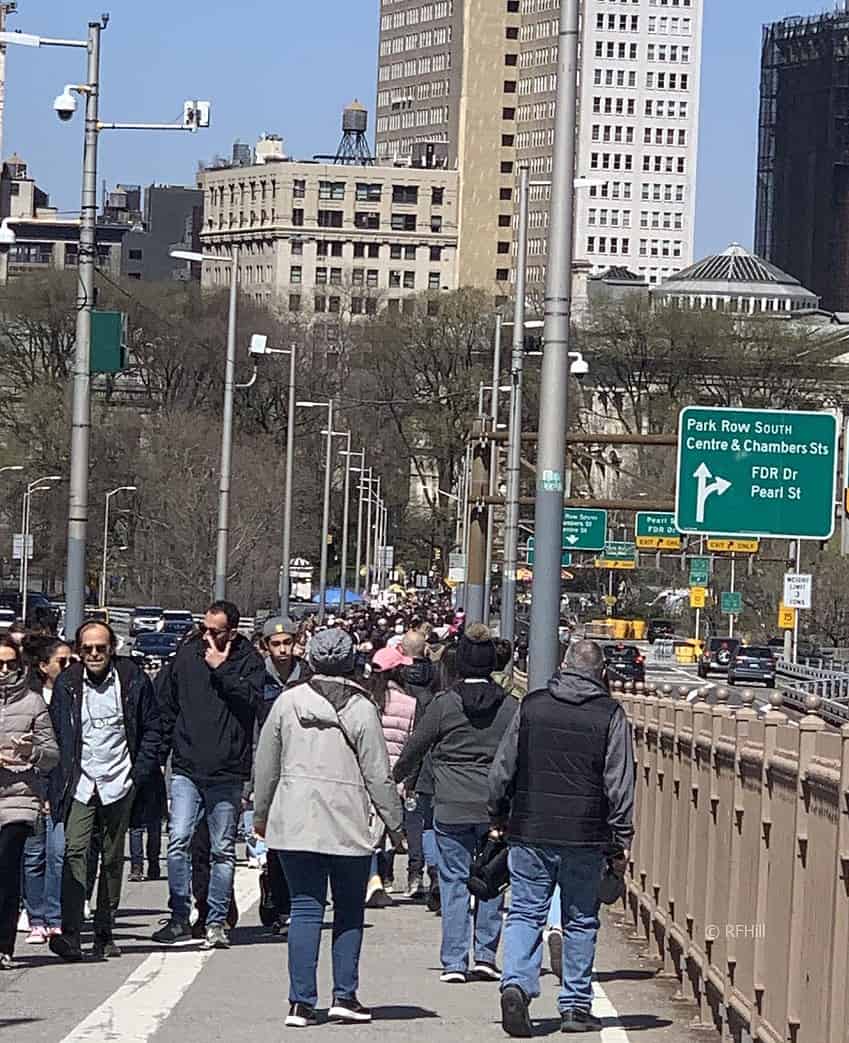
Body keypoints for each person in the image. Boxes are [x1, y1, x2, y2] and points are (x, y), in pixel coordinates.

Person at [253, 628, 404, 1028]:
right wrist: (395, 822)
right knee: (349, 910)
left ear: (312, 661)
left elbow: (266, 763)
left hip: (295, 815)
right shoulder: (361, 707)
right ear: (351, 661)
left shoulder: (288, 702)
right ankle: (345, 996)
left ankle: (300, 1003)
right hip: (347, 818)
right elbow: (378, 773)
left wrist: (260, 813)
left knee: (305, 908)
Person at [489, 639, 635, 1036]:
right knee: (581, 919)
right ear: (601, 673)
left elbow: (505, 766)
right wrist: (621, 837)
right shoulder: (610, 714)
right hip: (586, 834)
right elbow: (619, 781)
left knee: (524, 911)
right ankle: (574, 1005)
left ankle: (516, 983)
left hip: (531, 829)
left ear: (564, 666)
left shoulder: (532, 706)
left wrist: (498, 812)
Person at [393, 623, 517, 984]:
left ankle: (453, 960)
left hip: (450, 803)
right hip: (494, 807)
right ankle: (486, 956)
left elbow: (417, 745)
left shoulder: (444, 704)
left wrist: (397, 775)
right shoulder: (510, 707)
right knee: (492, 878)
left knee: (453, 880)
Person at [48, 621, 161, 962]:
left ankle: (104, 930)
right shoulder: (68, 683)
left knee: (112, 858)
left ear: (112, 647)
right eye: (87, 649)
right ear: (79, 651)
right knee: (74, 850)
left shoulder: (133, 679)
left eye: (100, 647)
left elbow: (153, 728)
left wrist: (137, 773)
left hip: (119, 781)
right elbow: (56, 733)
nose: (94, 654)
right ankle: (70, 933)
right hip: (81, 782)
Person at [154, 600, 264, 950]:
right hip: (187, 766)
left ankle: (216, 921)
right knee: (179, 842)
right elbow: (166, 708)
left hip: (228, 771)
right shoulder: (186, 657)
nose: (207, 636)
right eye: (204, 629)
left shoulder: (248, 660)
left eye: (215, 631)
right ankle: (178, 916)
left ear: (232, 631)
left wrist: (222, 669)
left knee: (222, 850)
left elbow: (253, 702)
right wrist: (159, 758)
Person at [0, 636, 59, 969]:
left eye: (11, 664)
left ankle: (3, 944)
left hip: (20, 798)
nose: (5, 671)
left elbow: (52, 755)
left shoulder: (34, 702)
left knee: (6, 869)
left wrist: (31, 751)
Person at [256, 616, 310, 933]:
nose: (282, 650)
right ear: (267, 647)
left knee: (299, 841)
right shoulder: (257, 679)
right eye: (275, 644)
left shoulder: (308, 678)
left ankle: (291, 900)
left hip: (301, 767)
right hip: (269, 769)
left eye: (287, 643)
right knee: (275, 841)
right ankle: (279, 900)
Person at [20, 635, 72, 943]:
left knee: (58, 853)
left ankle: (55, 917)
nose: (68, 667)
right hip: (32, 784)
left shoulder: (74, 694)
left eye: (71, 661)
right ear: (43, 666)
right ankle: (35, 917)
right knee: (33, 854)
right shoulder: (32, 698)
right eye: (61, 662)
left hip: (61, 784)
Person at [365, 643, 417, 906]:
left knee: (368, 828)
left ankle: (373, 878)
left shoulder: (364, 699)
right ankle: (378, 879)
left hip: (365, 772)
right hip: (394, 775)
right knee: (385, 828)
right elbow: (410, 743)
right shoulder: (410, 704)